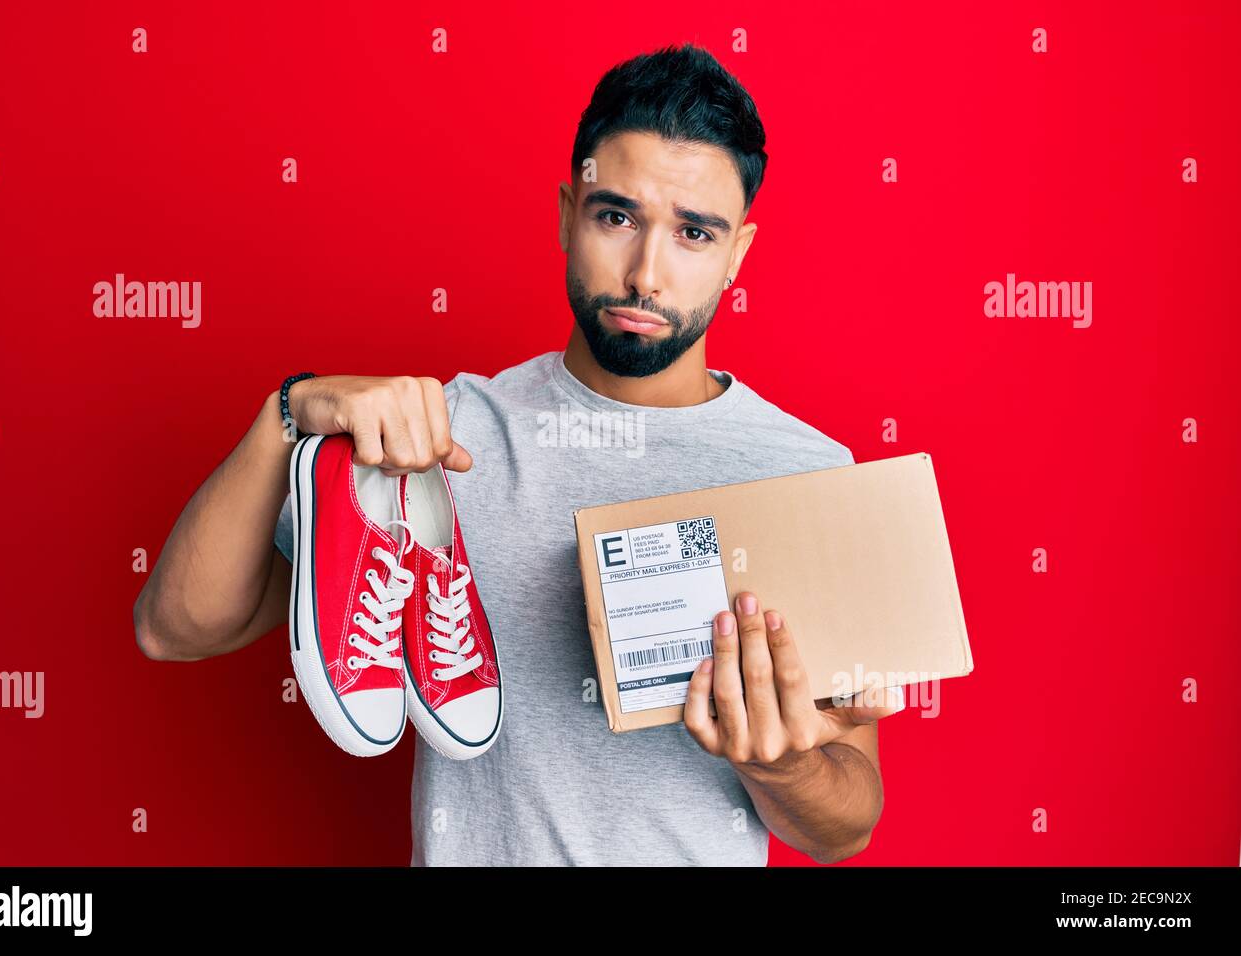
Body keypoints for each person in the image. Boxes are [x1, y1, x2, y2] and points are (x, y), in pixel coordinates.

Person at [132, 42, 903, 866]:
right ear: (567, 214)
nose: (646, 274)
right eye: (617, 217)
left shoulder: (807, 475)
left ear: (738, 254)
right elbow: (176, 630)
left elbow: (848, 823)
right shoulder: (438, 437)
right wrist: (284, 415)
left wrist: (778, 766)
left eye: (693, 234)